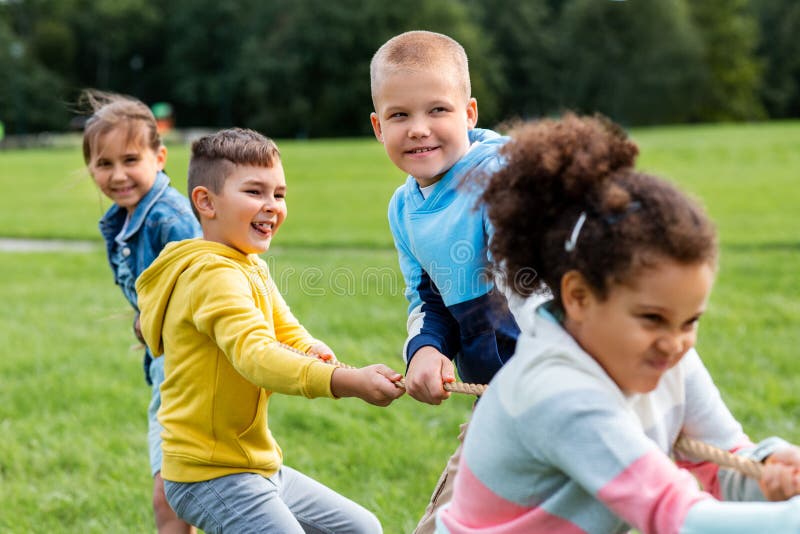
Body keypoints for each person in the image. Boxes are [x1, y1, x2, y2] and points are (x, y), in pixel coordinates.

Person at [436, 113, 800, 533]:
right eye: (652, 318)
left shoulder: (667, 360)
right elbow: (677, 516)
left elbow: (726, 463)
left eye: (690, 321)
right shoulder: (556, 390)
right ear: (578, 297)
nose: (675, 343)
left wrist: (770, 471)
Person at [135, 128, 405, 533]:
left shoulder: (248, 265)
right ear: (206, 202)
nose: (272, 206)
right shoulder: (210, 275)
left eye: (279, 194)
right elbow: (257, 355)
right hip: (207, 474)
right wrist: (345, 381)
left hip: (255, 465)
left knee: (360, 528)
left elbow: (285, 330)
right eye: (254, 192)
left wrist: (311, 349)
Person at [369, 30, 530, 533]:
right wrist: (425, 348)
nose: (419, 129)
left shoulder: (502, 181)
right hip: (496, 400)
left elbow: (534, 295)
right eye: (399, 115)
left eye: (437, 110)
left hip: (551, 389)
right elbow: (427, 297)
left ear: (469, 113)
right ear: (378, 126)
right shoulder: (404, 208)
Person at [82, 89, 201, 534]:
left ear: (160, 156)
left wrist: (151, 321)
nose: (117, 175)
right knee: (181, 495)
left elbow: (207, 289)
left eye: (130, 160)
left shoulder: (168, 219)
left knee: (174, 494)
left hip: (189, 372)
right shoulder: (127, 215)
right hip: (167, 370)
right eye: (104, 163)